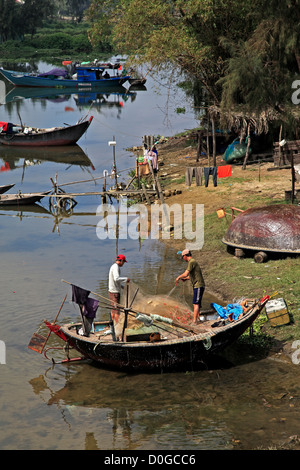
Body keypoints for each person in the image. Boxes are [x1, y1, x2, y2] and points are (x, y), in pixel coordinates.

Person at [175, 249, 205, 324]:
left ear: (185, 256)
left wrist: (179, 277)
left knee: (196, 303)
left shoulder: (191, 262)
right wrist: (185, 279)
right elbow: (192, 276)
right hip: (197, 285)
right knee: (196, 303)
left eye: (183, 257)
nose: (183, 259)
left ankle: (194, 322)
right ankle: (198, 319)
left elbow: (186, 274)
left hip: (198, 285)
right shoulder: (192, 262)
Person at [108, 254, 130, 325]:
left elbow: (115, 281)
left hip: (111, 291)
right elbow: (116, 279)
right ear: (121, 261)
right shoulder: (116, 267)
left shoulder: (113, 266)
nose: (123, 264)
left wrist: (122, 287)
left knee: (113, 309)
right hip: (115, 293)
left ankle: (113, 324)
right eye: (123, 262)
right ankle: (117, 326)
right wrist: (126, 279)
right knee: (117, 310)